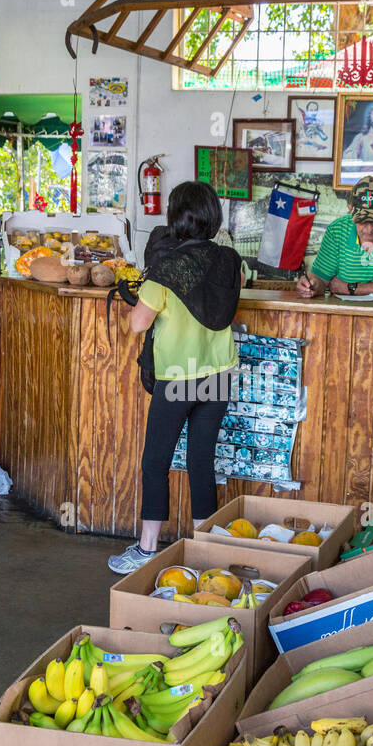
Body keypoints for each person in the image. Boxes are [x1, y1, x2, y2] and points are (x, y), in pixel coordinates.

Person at [108, 182, 243, 574]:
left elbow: (137, 325)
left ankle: (149, 548)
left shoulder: (166, 269)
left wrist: (136, 295)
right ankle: (206, 552)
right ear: (213, 217)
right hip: (217, 374)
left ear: (175, 219)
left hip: (177, 377)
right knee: (202, 461)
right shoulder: (231, 261)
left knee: (156, 462)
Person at [297, 176, 373, 297]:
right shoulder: (337, 230)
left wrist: (351, 288)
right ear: (350, 210)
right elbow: (320, 279)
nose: (369, 229)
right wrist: (311, 285)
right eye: (362, 221)